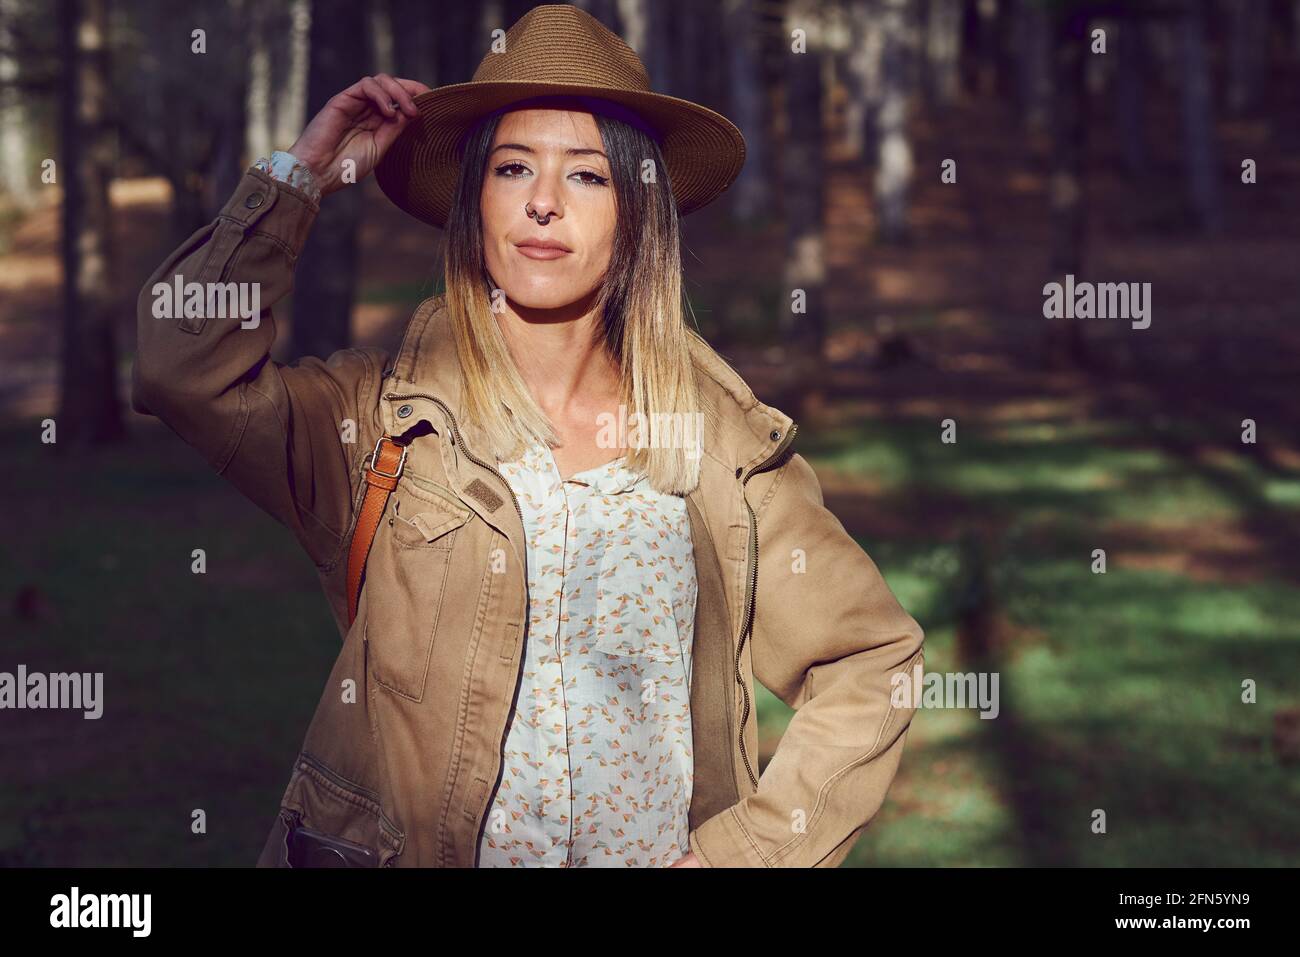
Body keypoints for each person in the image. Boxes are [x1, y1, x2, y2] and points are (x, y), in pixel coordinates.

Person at [133, 3, 924, 868]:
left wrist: (748, 853)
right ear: (476, 201)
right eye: (513, 168)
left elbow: (871, 659)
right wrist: (301, 181)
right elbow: (182, 365)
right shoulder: (381, 421)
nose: (543, 203)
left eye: (587, 176)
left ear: (637, 212)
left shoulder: (713, 440)